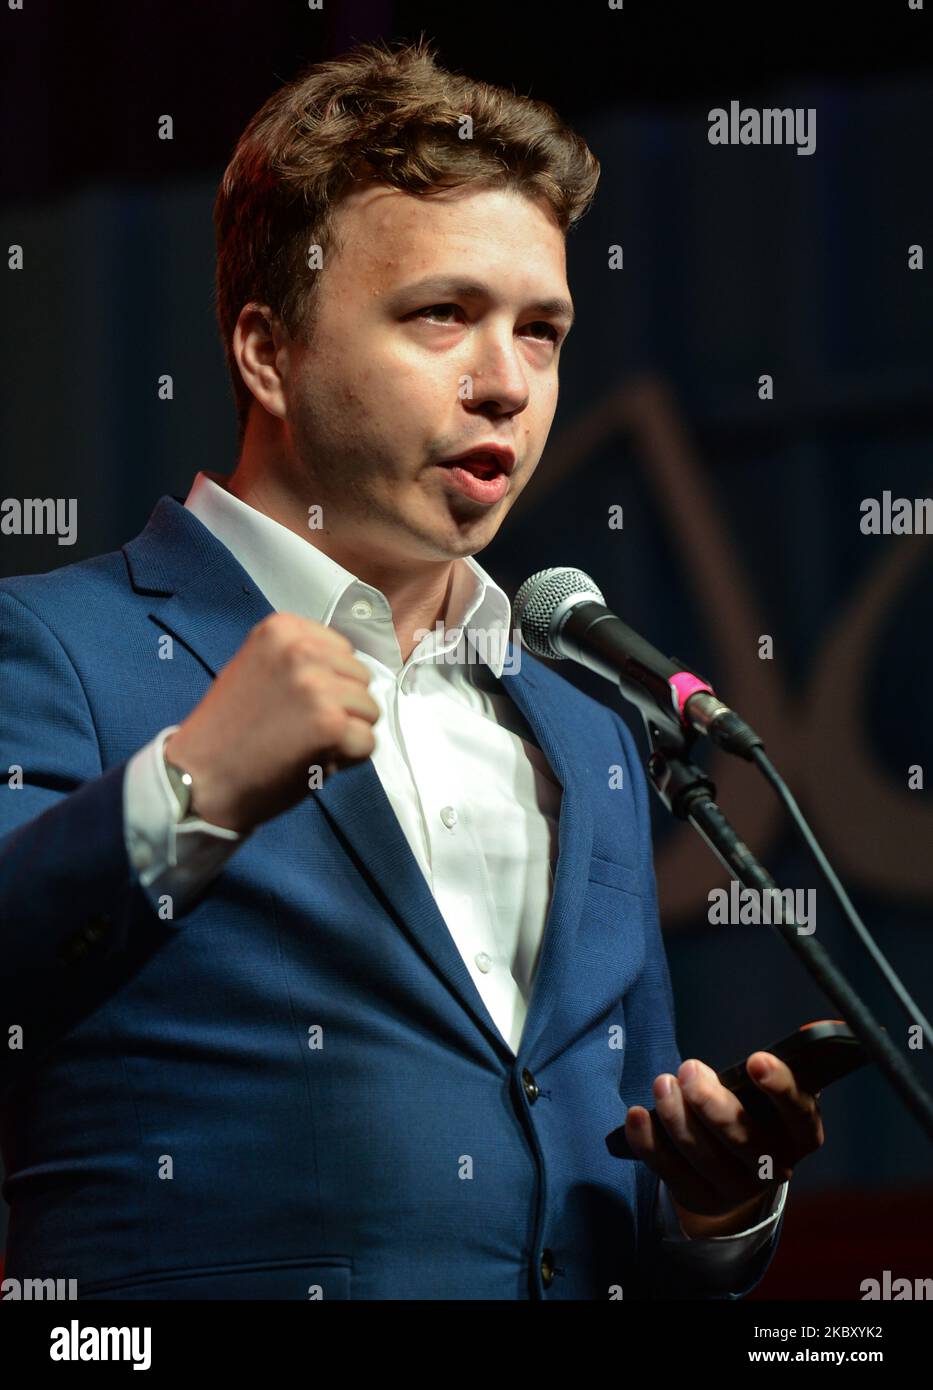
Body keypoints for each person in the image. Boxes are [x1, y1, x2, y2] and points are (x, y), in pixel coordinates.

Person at [0, 37, 822, 1301]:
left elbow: (593, 1179)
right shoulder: (60, 641)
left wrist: (713, 1207)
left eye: (540, 331)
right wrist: (192, 785)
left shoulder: (587, 719)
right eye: (442, 314)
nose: (506, 383)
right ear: (267, 352)